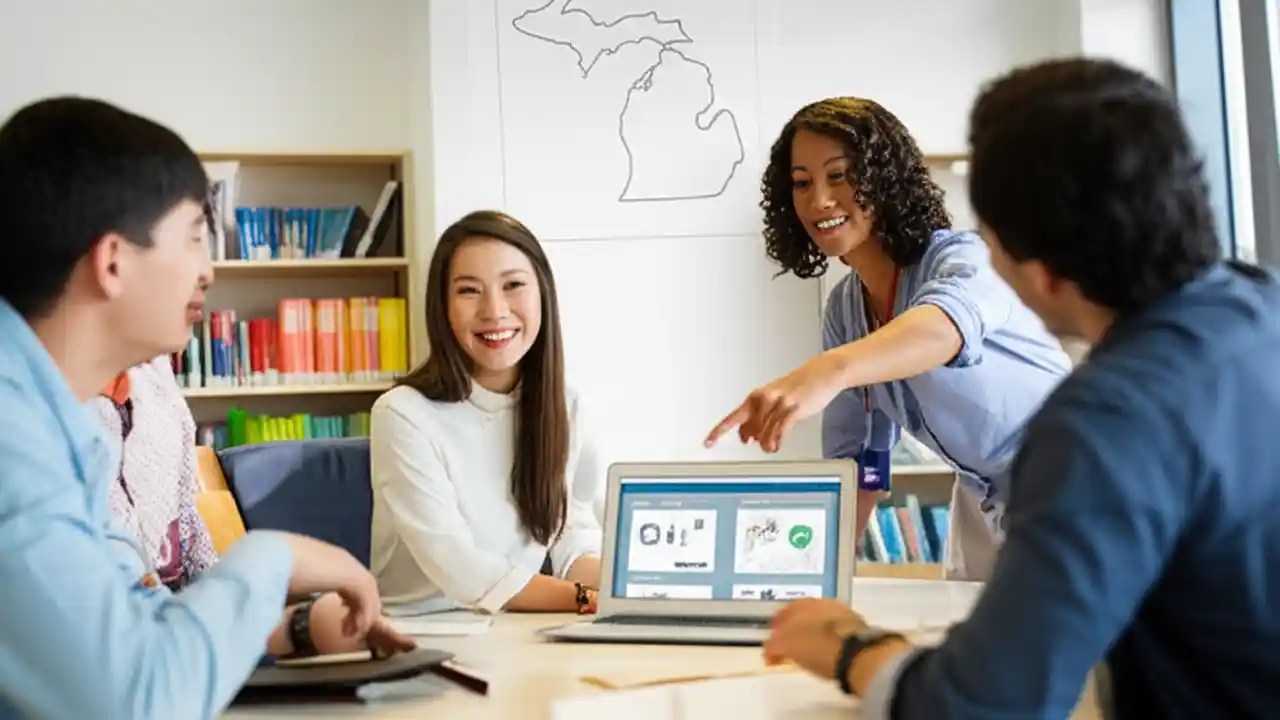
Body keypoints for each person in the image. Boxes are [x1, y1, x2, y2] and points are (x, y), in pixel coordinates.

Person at [763, 58, 1280, 718]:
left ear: (1035, 266)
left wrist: (846, 648)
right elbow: (861, 460)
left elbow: (980, 705)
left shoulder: (1103, 423)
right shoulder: (1261, 311)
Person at [0, 96, 394, 719]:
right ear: (112, 262)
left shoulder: (55, 421)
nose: (208, 272)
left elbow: (139, 621)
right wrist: (277, 556)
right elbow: (139, 700)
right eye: (192, 238)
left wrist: (298, 626)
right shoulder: (13, 440)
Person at [705, 96, 1072, 579]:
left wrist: (828, 371)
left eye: (839, 175)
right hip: (985, 504)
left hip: (1075, 487)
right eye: (801, 183)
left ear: (885, 177)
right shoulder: (845, 310)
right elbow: (859, 467)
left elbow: (942, 328)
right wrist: (807, 578)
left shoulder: (962, 260)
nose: (819, 200)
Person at [90, 356, 414, 659]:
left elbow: (194, 574)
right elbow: (134, 644)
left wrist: (304, 625)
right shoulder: (56, 433)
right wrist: (276, 562)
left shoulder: (155, 381)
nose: (203, 292)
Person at [369, 210, 604, 615]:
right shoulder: (402, 414)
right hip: (423, 635)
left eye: (513, 285)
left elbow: (570, 535)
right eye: (468, 291)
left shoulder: (565, 404)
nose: (494, 311)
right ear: (442, 307)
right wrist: (584, 599)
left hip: (517, 627)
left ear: (542, 294)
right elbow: (463, 569)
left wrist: (640, 588)